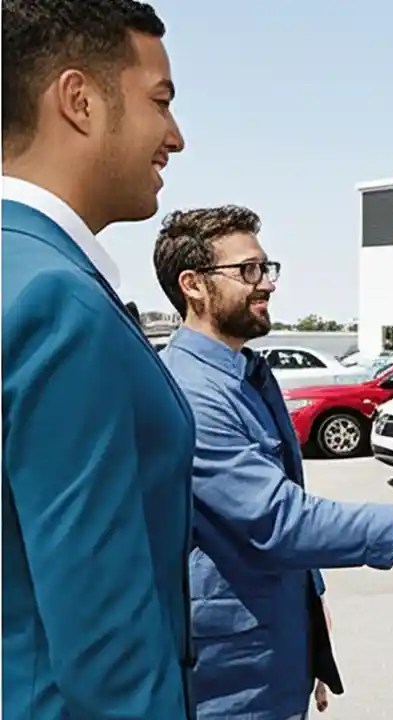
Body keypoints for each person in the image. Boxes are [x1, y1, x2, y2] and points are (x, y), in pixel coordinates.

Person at [152, 205, 393, 720]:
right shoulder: (192, 392)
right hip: (230, 681)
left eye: (267, 269)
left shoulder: (245, 373)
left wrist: (311, 618)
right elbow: (283, 523)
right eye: (248, 270)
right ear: (193, 285)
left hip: (277, 657)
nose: (266, 283)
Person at [1, 1, 193, 718]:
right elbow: (106, 655)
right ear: (79, 101)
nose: (175, 136)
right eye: (160, 102)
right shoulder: (59, 302)